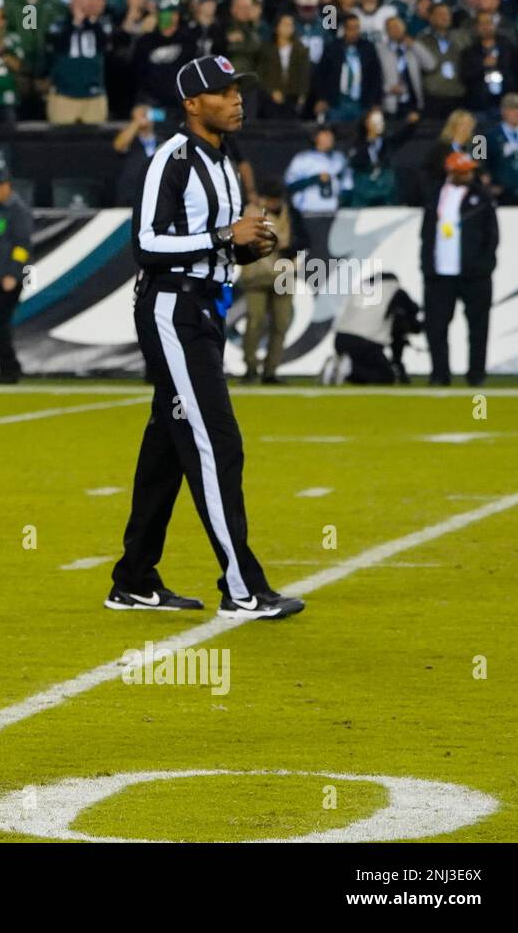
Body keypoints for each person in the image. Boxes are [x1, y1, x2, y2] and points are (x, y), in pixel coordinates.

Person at [107, 54, 305, 621]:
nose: (237, 99)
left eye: (239, 89)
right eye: (223, 91)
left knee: (167, 446)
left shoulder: (223, 160)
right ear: (192, 103)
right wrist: (224, 234)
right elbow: (146, 244)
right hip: (172, 307)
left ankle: (134, 577)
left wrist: (245, 247)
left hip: (203, 308)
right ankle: (242, 586)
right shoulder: (170, 157)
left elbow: (208, 243)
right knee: (217, 442)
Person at [420, 152, 499, 387]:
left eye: (470, 171)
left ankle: (476, 375)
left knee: (478, 328)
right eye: (463, 171)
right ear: (451, 172)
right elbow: (425, 234)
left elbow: (492, 236)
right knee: (436, 327)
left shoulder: (481, 198)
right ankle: (439, 374)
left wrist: (485, 266)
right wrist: (426, 266)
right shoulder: (435, 195)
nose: (468, 175)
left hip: (474, 275)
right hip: (440, 274)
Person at [0, 168, 33, 384]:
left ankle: (9, 369)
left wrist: (14, 273)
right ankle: (8, 366)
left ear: (5, 186)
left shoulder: (18, 210)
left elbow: (23, 245)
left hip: (8, 278)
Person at [238, 179, 294, 384]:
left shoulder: (289, 212)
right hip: (257, 274)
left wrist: (292, 246)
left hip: (284, 274)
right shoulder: (251, 213)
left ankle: (270, 371)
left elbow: (301, 238)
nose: (275, 203)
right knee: (255, 321)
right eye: (272, 199)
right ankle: (251, 367)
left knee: (281, 324)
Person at [487, 93, 518, 205]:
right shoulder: (489, 135)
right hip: (501, 195)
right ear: (503, 111)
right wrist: (489, 185)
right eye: (511, 108)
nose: (516, 112)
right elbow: (479, 162)